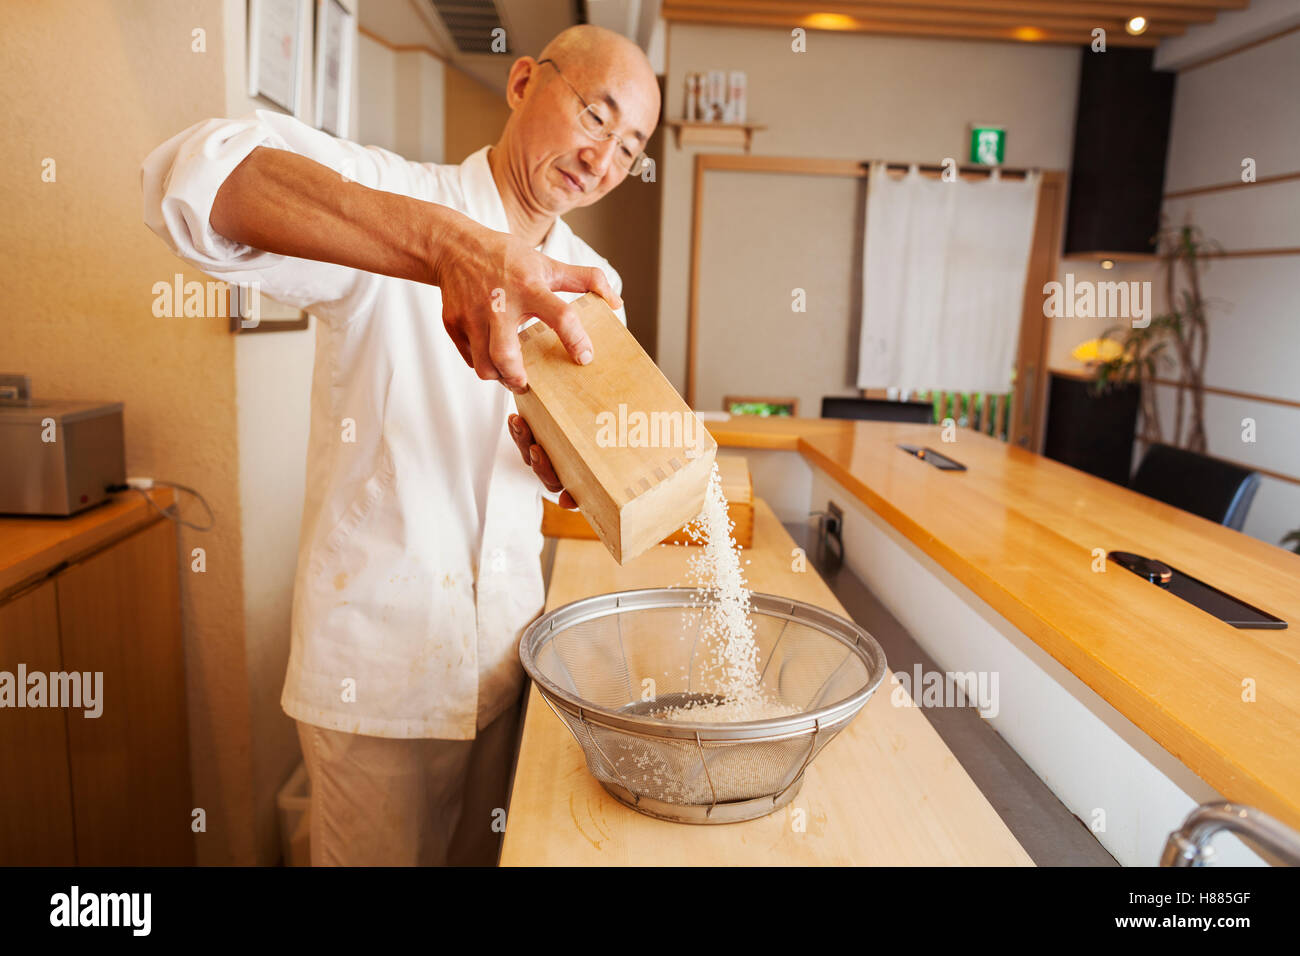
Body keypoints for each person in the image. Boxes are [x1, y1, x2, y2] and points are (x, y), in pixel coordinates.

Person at [141, 24, 660, 866]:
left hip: (504, 662)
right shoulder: (396, 198)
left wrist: (575, 469)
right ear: (524, 82)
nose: (603, 158)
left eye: (629, 145)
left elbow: (572, 476)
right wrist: (448, 244)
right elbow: (194, 178)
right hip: (375, 677)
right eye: (596, 116)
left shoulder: (590, 286)